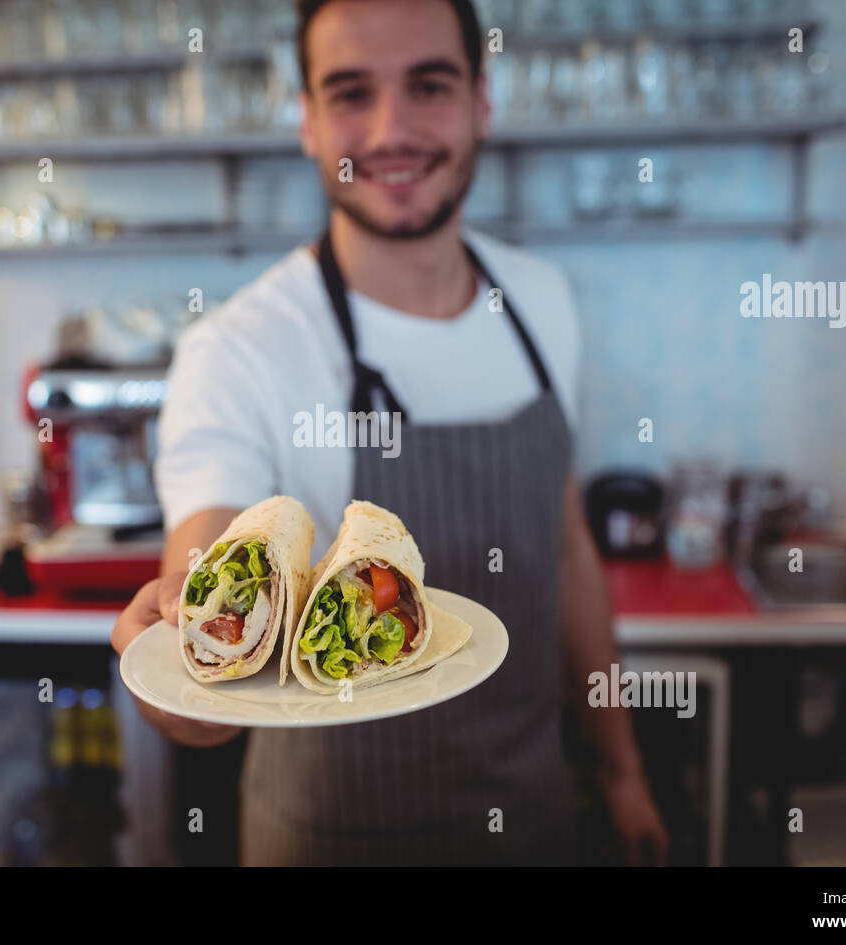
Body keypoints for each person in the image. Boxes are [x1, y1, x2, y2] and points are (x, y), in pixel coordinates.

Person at [111, 0, 669, 866]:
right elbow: (202, 561)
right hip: (330, 837)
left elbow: (566, 553)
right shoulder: (239, 350)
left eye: (430, 85)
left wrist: (622, 768)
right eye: (350, 92)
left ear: (483, 103)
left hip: (532, 815)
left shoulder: (540, 302)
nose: (391, 129)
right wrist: (180, 668)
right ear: (306, 120)